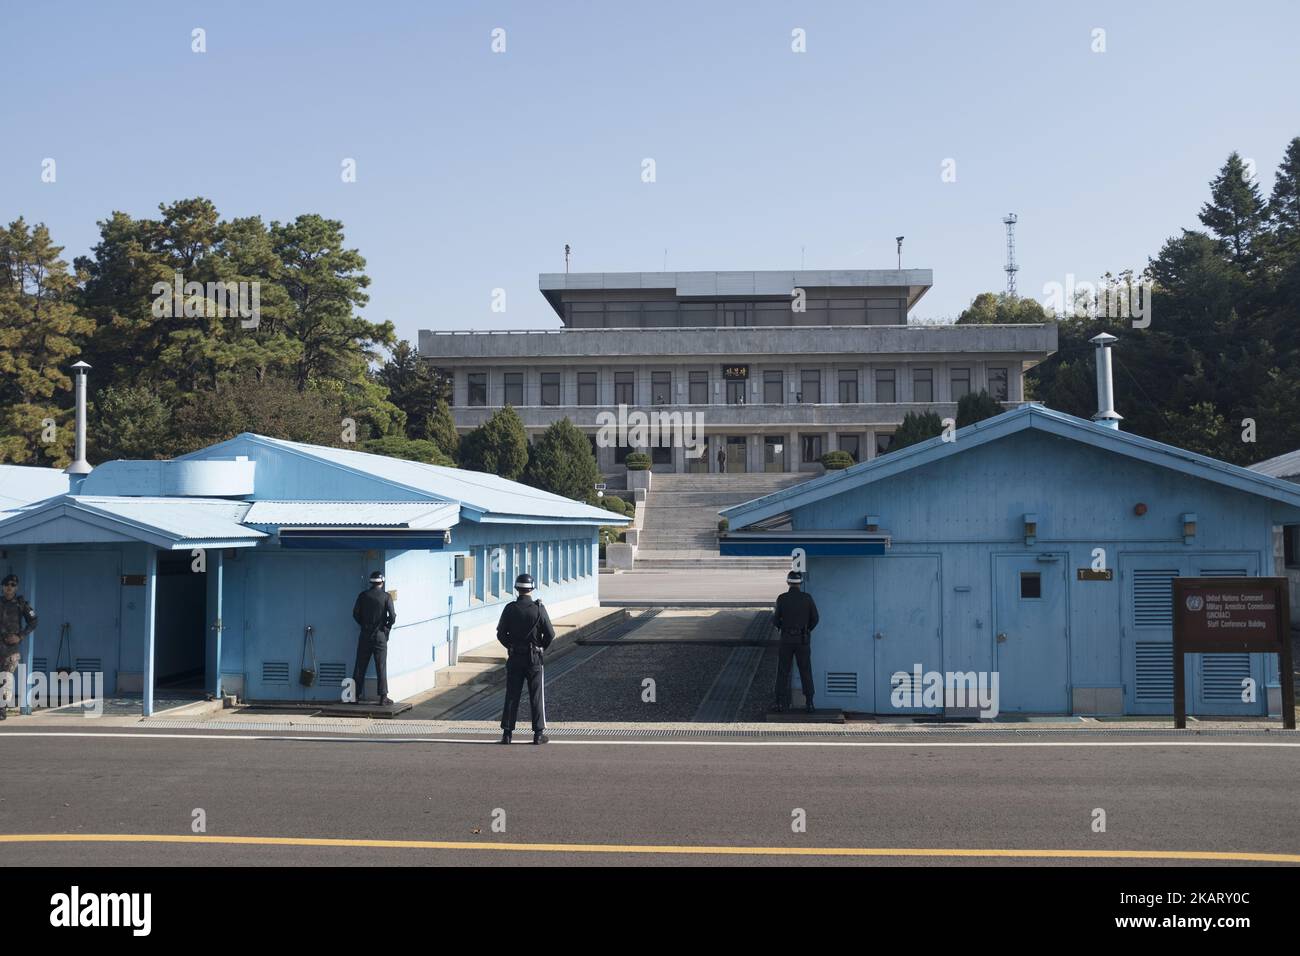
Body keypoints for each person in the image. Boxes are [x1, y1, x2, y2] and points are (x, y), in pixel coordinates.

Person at [496, 572, 555, 744]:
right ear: (532, 589)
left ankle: (507, 733)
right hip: (534, 658)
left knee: (512, 694)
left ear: (516, 589)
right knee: (536, 695)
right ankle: (538, 734)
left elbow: (501, 634)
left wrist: (511, 647)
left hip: (515, 657)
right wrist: (541, 647)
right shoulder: (539, 609)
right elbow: (550, 634)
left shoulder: (510, 608)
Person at [773, 570, 819, 713]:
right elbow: (815, 619)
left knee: (783, 671)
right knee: (805, 671)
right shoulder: (807, 598)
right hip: (802, 640)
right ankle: (809, 703)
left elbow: (775, 620)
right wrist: (806, 630)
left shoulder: (782, 598)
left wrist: (783, 627)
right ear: (800, 583)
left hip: (786, 639)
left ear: (788, 582)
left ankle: (779, 703)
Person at [352, 571, 396, 706]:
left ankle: (354, 696)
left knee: (360, 665)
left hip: (365, 634)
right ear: (382, 582)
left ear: (371, 582)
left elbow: (355, 614)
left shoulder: (363, 596)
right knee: (381, 666)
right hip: (380, 635)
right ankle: (383, 697)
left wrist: (363, 625)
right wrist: (386, 627)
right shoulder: (386, 596)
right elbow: (392, 616)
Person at [0, 574, 37, 720]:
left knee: (5, 679)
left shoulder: (21, 604)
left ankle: (1, 710)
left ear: (16, 588)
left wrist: (20, 636)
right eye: (6, 584)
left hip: (11, 649)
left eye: (12, 585)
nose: (9, 587)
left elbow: (34, 621)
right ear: (2, 587)